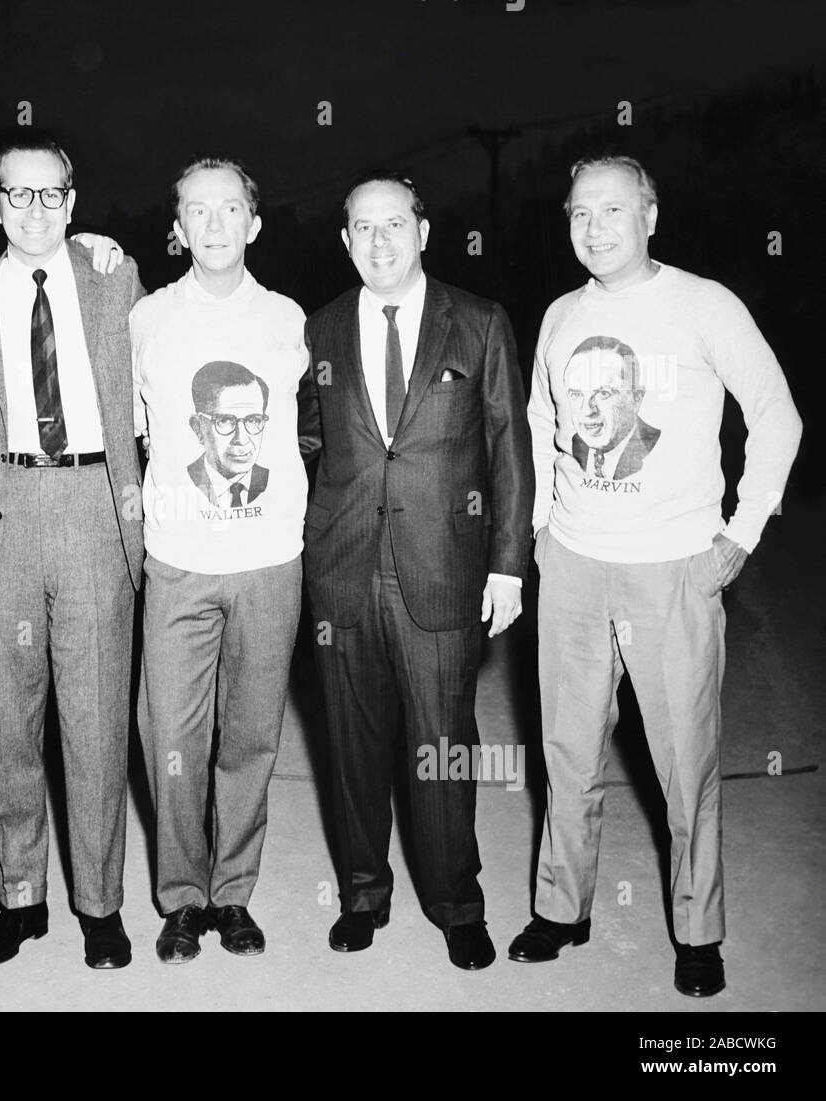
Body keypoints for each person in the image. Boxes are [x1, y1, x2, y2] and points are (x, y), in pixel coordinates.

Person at [514, 154, 802, 997]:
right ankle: (562, 908)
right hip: (574, 563)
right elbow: (538, 419)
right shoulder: (561, 314)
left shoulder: (705, 304)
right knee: (567, 749)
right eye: (578, 214)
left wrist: (742, 533)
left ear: (650, 215)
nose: (594, 229)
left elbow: (776, 415)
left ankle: (698, 930)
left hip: (672, 570)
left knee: (685, 761)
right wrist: (540, 525)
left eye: (612, 210)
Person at [298, 171, 533, 970]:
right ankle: (363, 893)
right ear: (345, 240)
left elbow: (510, 452)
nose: (379, 240)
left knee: (442, 745)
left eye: (393, 223)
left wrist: (508, 566)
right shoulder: (320, 330)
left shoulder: (480, 321)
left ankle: (455, 900)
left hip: (443, 570)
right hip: (343, 573)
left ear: (424, 232)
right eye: (361, 227)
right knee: (352, 743)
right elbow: (303, 443)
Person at [0, 137, 144, 970]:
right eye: (16, 195)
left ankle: (99, 904)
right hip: (1, 515)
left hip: (95, 504)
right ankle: (20, 900)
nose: (34, 210)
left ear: (72, 200)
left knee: (95, 722)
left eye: (50, 194)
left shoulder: (117, 278)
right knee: (8, 723)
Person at [130, 157, 309, 963]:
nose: (213, 224)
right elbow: (138, 428)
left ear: (253, 223)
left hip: (271, 558)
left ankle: (232, 893)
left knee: (250, 735)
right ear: (179, 227)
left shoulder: (288, 319)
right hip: (179, 560)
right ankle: (180, 897)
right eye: (196, 211)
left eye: (229, 208)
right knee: (170, 730)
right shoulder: (148, 319)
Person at [564, 335, 659, 480]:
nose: (587, 411)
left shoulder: (657, 449)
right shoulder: (575, 445)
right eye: (576, 394)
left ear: (636, 398)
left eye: (603, 393)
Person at [185, 360, 272, 508]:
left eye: (253, 420)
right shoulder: (182, 481)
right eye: (225, 420)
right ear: (198, 428)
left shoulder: (275, 481)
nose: (241, 439)